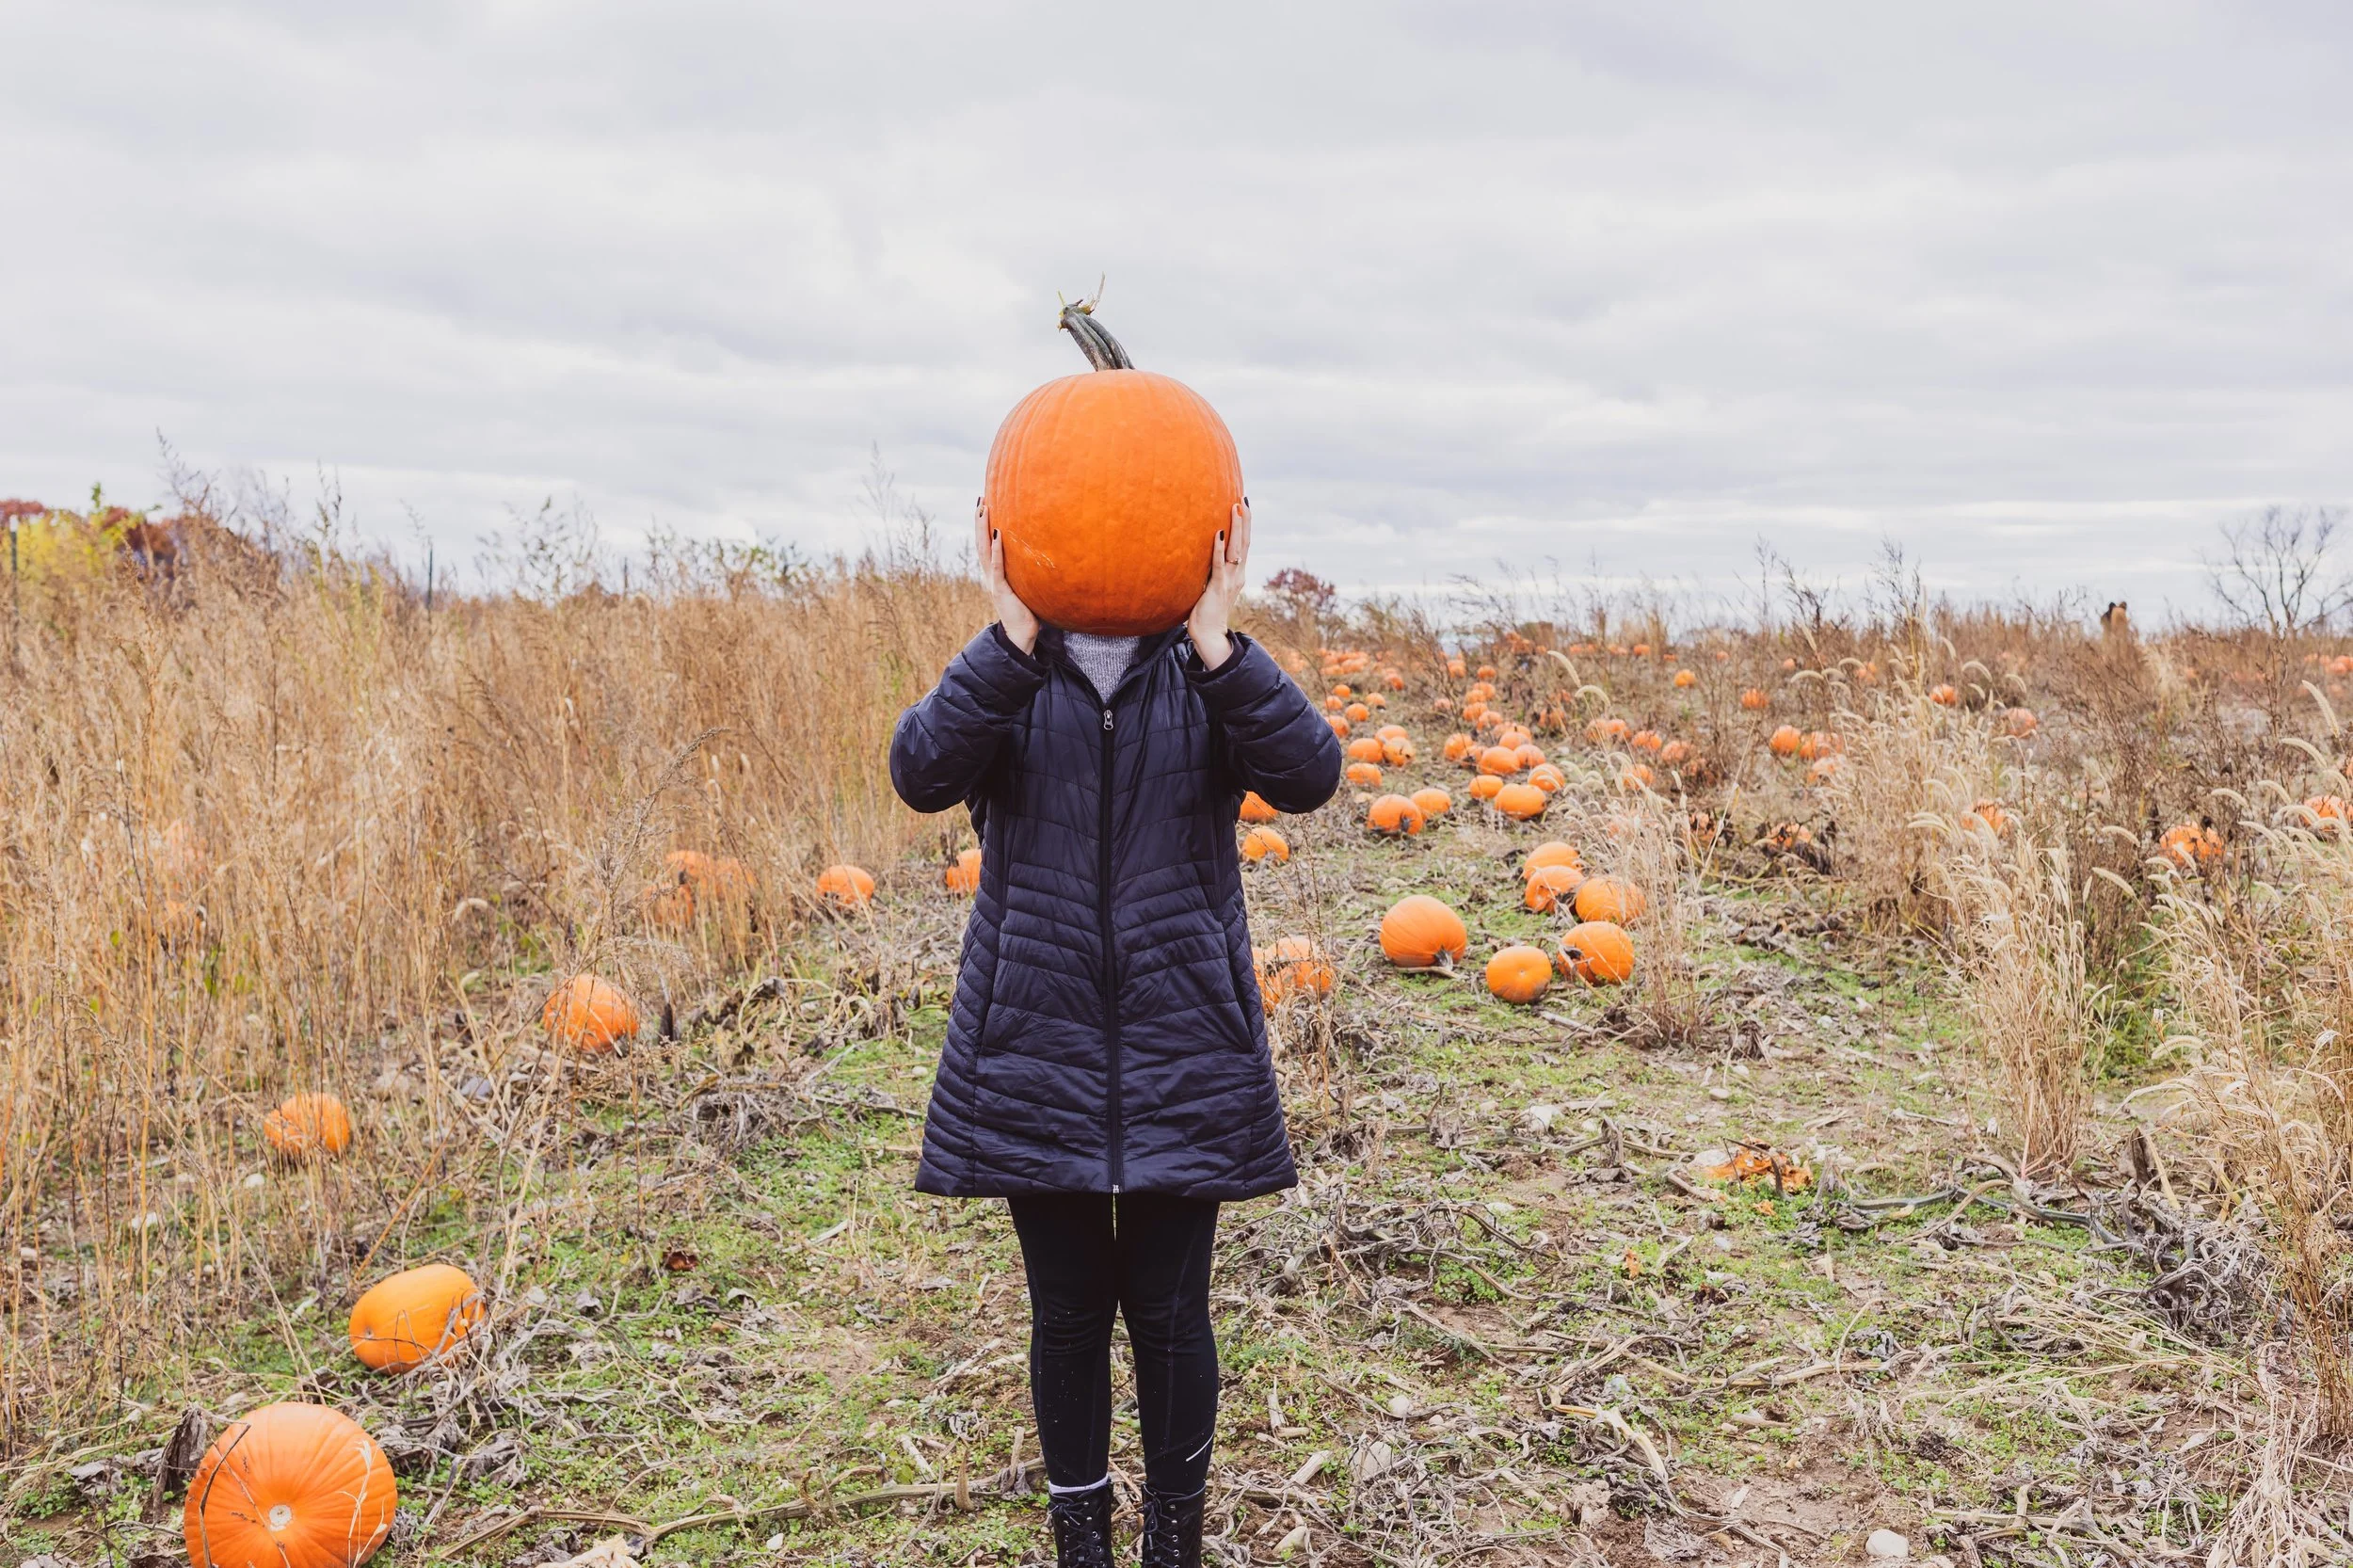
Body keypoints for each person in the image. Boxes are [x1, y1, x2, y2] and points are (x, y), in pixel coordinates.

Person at [888, 498, 1343, 1567]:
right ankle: (1080, 1540)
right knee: (1066, 1310)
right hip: (1034, 1036)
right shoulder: (1013, 672)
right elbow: (920, 774)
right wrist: (1007, 637)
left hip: (1182, 1035)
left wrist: (1220, 642)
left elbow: (1311, 776)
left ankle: (1173, 1542)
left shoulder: (1203, 671)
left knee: (1172, 1309)